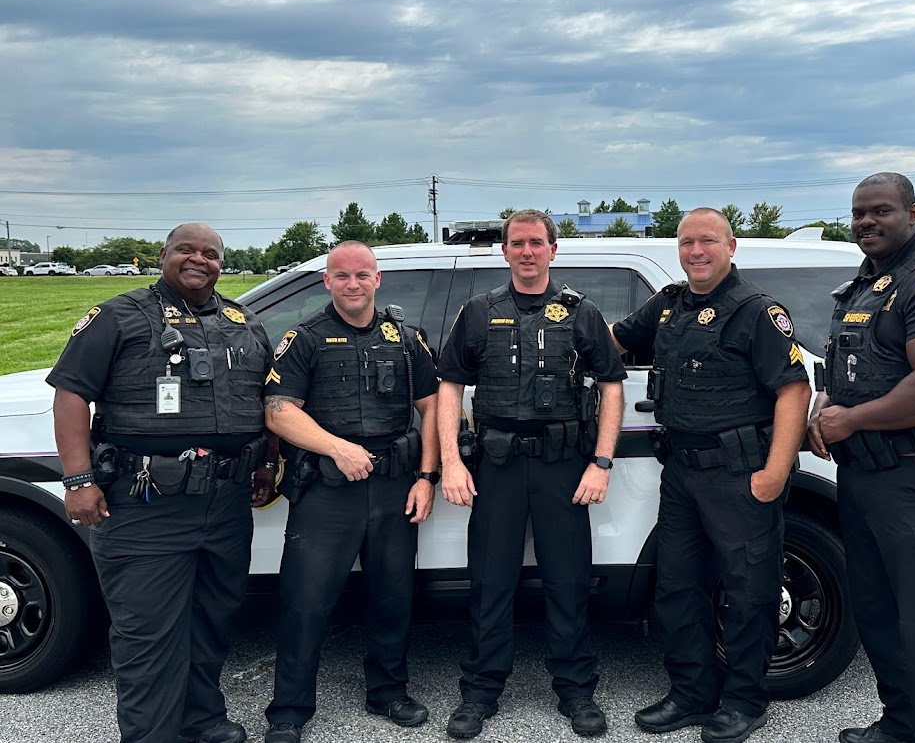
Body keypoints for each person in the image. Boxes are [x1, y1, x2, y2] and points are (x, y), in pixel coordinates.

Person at [50, 223, 277, 743]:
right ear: (164, 255)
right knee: (147, 636)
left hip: (224, 505)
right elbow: (70, 394)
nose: (199, 260)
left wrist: (267, 463)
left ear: (223, 262)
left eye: (211, 254)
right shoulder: (117, 315)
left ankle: (201, 720)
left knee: (212, 621)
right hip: (143, 505)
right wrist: (78, 479)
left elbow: (267, 402)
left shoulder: (243, 321)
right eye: (187, 250)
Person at [611, 207, 811, 743]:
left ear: (731, 246)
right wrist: (562, 321)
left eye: (706, 242)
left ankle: (745, 700)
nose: (695, 252)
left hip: (740, 471)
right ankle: (693, 693)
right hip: (681, 470)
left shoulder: (757, 312)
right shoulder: (671, 304)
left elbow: (794, 391)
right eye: (685, 243)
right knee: (677, 585)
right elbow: (615, 339)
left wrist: (774, 473)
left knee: (750, 590)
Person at [807, 172, 915, 743]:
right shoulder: (866, 285)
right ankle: (905, 725)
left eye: (880, 211)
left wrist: (850, 420)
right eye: (859, 212)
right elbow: (863, 370)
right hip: (866, 475)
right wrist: (829, 403)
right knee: (881, 616)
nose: (866, 221)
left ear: (913, 213)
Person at [436, 209, 626, 739]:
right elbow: (450, 384)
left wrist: (601, 462)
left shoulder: (581, 313)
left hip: (563, 465)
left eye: (536, 242)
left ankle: (575, 690)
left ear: (552, 250)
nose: (526, 251)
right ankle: (479, 692)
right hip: (495, 465)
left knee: (567, 582)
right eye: (516, 243)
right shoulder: (477, 312)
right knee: (490, 581)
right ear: (504, 252)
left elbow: (612, 385)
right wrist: (451, 460)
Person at [260, 241, 441, 743]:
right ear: (327, 282)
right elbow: (278, 410)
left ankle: (388, 693)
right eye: (342, 276)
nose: (353, 284)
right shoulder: (304, 339)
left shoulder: (406, 338)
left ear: (378, 279)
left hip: (395, 486)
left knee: (393, 597)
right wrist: (337, 448)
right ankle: (289, 711)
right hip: (327, 491)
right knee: (305, 601)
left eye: (362, 275)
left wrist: (427, 477)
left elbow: (432, 407)